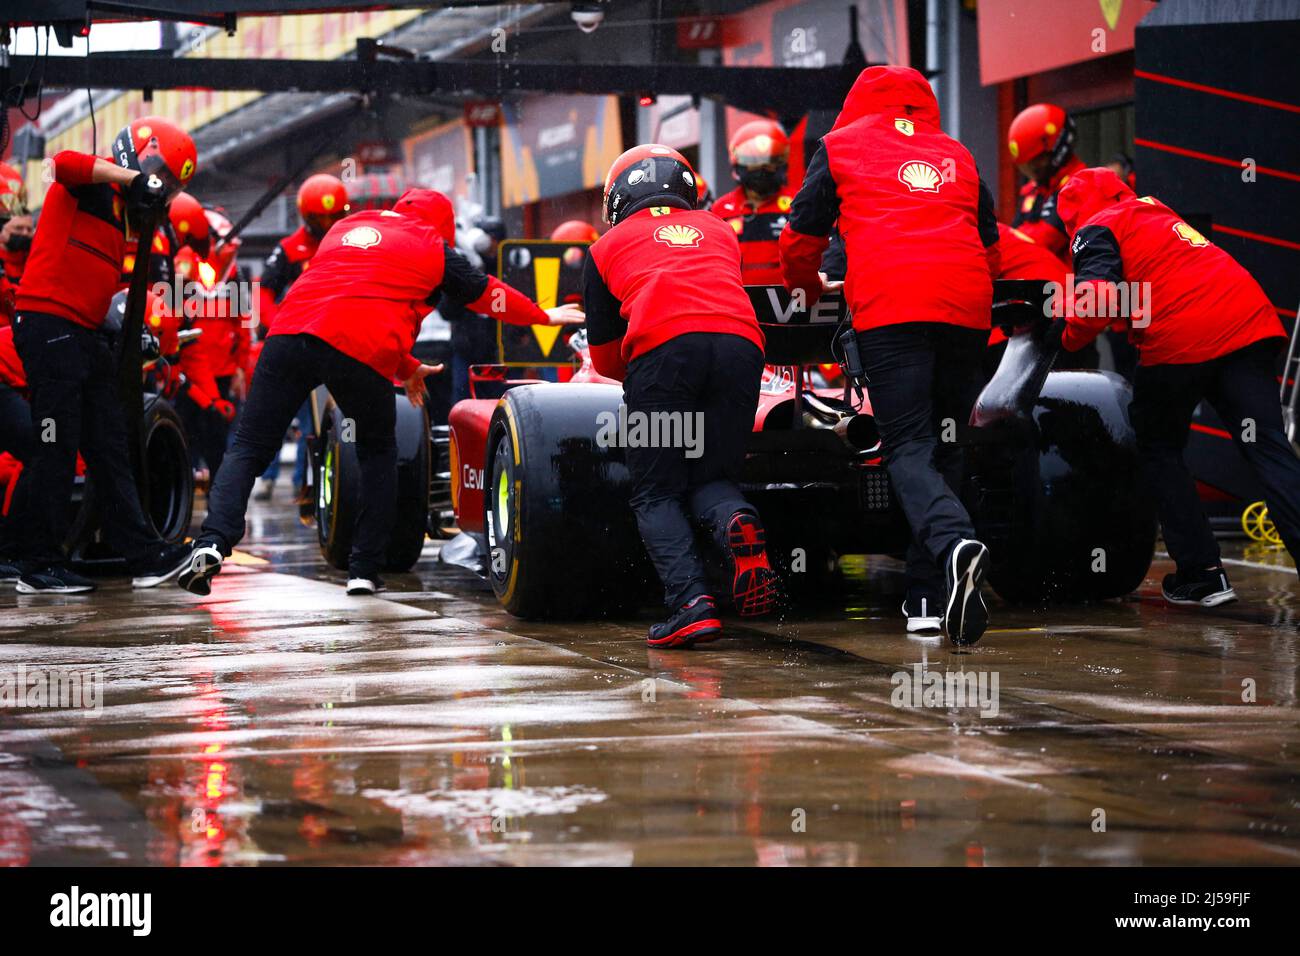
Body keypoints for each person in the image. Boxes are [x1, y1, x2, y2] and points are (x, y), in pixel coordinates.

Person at [177, 188, 583, 597]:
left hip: (289, 336)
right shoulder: (431, 245)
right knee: (377, 453)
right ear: (441, 227)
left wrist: (406, 366)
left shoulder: (345, 228)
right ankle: (364, 568)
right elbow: (483, 292)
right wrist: (540, 315)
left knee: (247, 446)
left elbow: (342, 300)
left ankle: (213, 540)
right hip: (357, 350)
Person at [780, 65, 999, 646]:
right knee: (947, 442)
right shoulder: (957, 152)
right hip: (967, 308)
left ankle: (953, 543)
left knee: (908, 447)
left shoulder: (839, 146)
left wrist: (805, 293)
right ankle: (927, 600)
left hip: (894, 307)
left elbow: (801, 240)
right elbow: (990, 245)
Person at [1051, 166, 1299, 603]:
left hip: (1184, 338)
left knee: (1157, 444)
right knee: (1271, 453)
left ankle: (1202, 572)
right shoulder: (1154, 211)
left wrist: (1065, 338)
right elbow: (1146, 287)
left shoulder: (1096, 226)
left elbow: (1098, 303)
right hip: (1248, 322)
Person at [585, 144, 778, 649]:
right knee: (713, 475)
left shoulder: (604, 248)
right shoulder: (719, 230)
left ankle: (691, 604)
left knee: (656, 489)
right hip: (742, 348)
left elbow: (606, 361)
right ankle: (735, 521)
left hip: (665, 353)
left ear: (618, 197)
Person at [10, 116, 199, 593]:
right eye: (162, 174)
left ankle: (144, 555)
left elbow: (109, 285)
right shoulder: (87, 185)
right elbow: (60, 164)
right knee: (56, 445)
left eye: (170, 184)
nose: (163, 187)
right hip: (49, 326)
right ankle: (37, 564)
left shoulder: (120, 217)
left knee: (110, 445)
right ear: (139, 154)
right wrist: (132, 178)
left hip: (84, 334)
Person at [254, 173, 350, 502]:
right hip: (295, 341)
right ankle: (265, 477)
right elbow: (263, 293)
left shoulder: (349, 244)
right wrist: (276, 326)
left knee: (319, 419)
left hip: (332, 343)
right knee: (278, 414)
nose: (326, 223)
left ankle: (306, 483)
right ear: (306, 217)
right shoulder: (289, 249)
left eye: (333, 216)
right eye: (319, 217)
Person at [710, 119, 798, 285]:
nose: (762, 170)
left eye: (770, 164)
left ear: (781, 164)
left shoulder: (798, 204)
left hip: (791, 300)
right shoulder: (721, 209)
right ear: (739, 165)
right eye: (753, 163)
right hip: (739, 299)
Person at [1007, 103, 1085, 261]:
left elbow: (1043, 241)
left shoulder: (1080, 184)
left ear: (1057, 149)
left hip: (1070, 282)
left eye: (1036, 162)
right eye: (1025, 166)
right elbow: (1013, 236)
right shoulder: (1032, 190)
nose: (1032, 172)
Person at [444, 215, 508, 405]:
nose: (491, 247)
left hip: (499, 351)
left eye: (494, 241)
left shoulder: (507, 269)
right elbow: (447, 311)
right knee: (463, 398)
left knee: (499, 400)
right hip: (466, 348)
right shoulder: (465, 268)